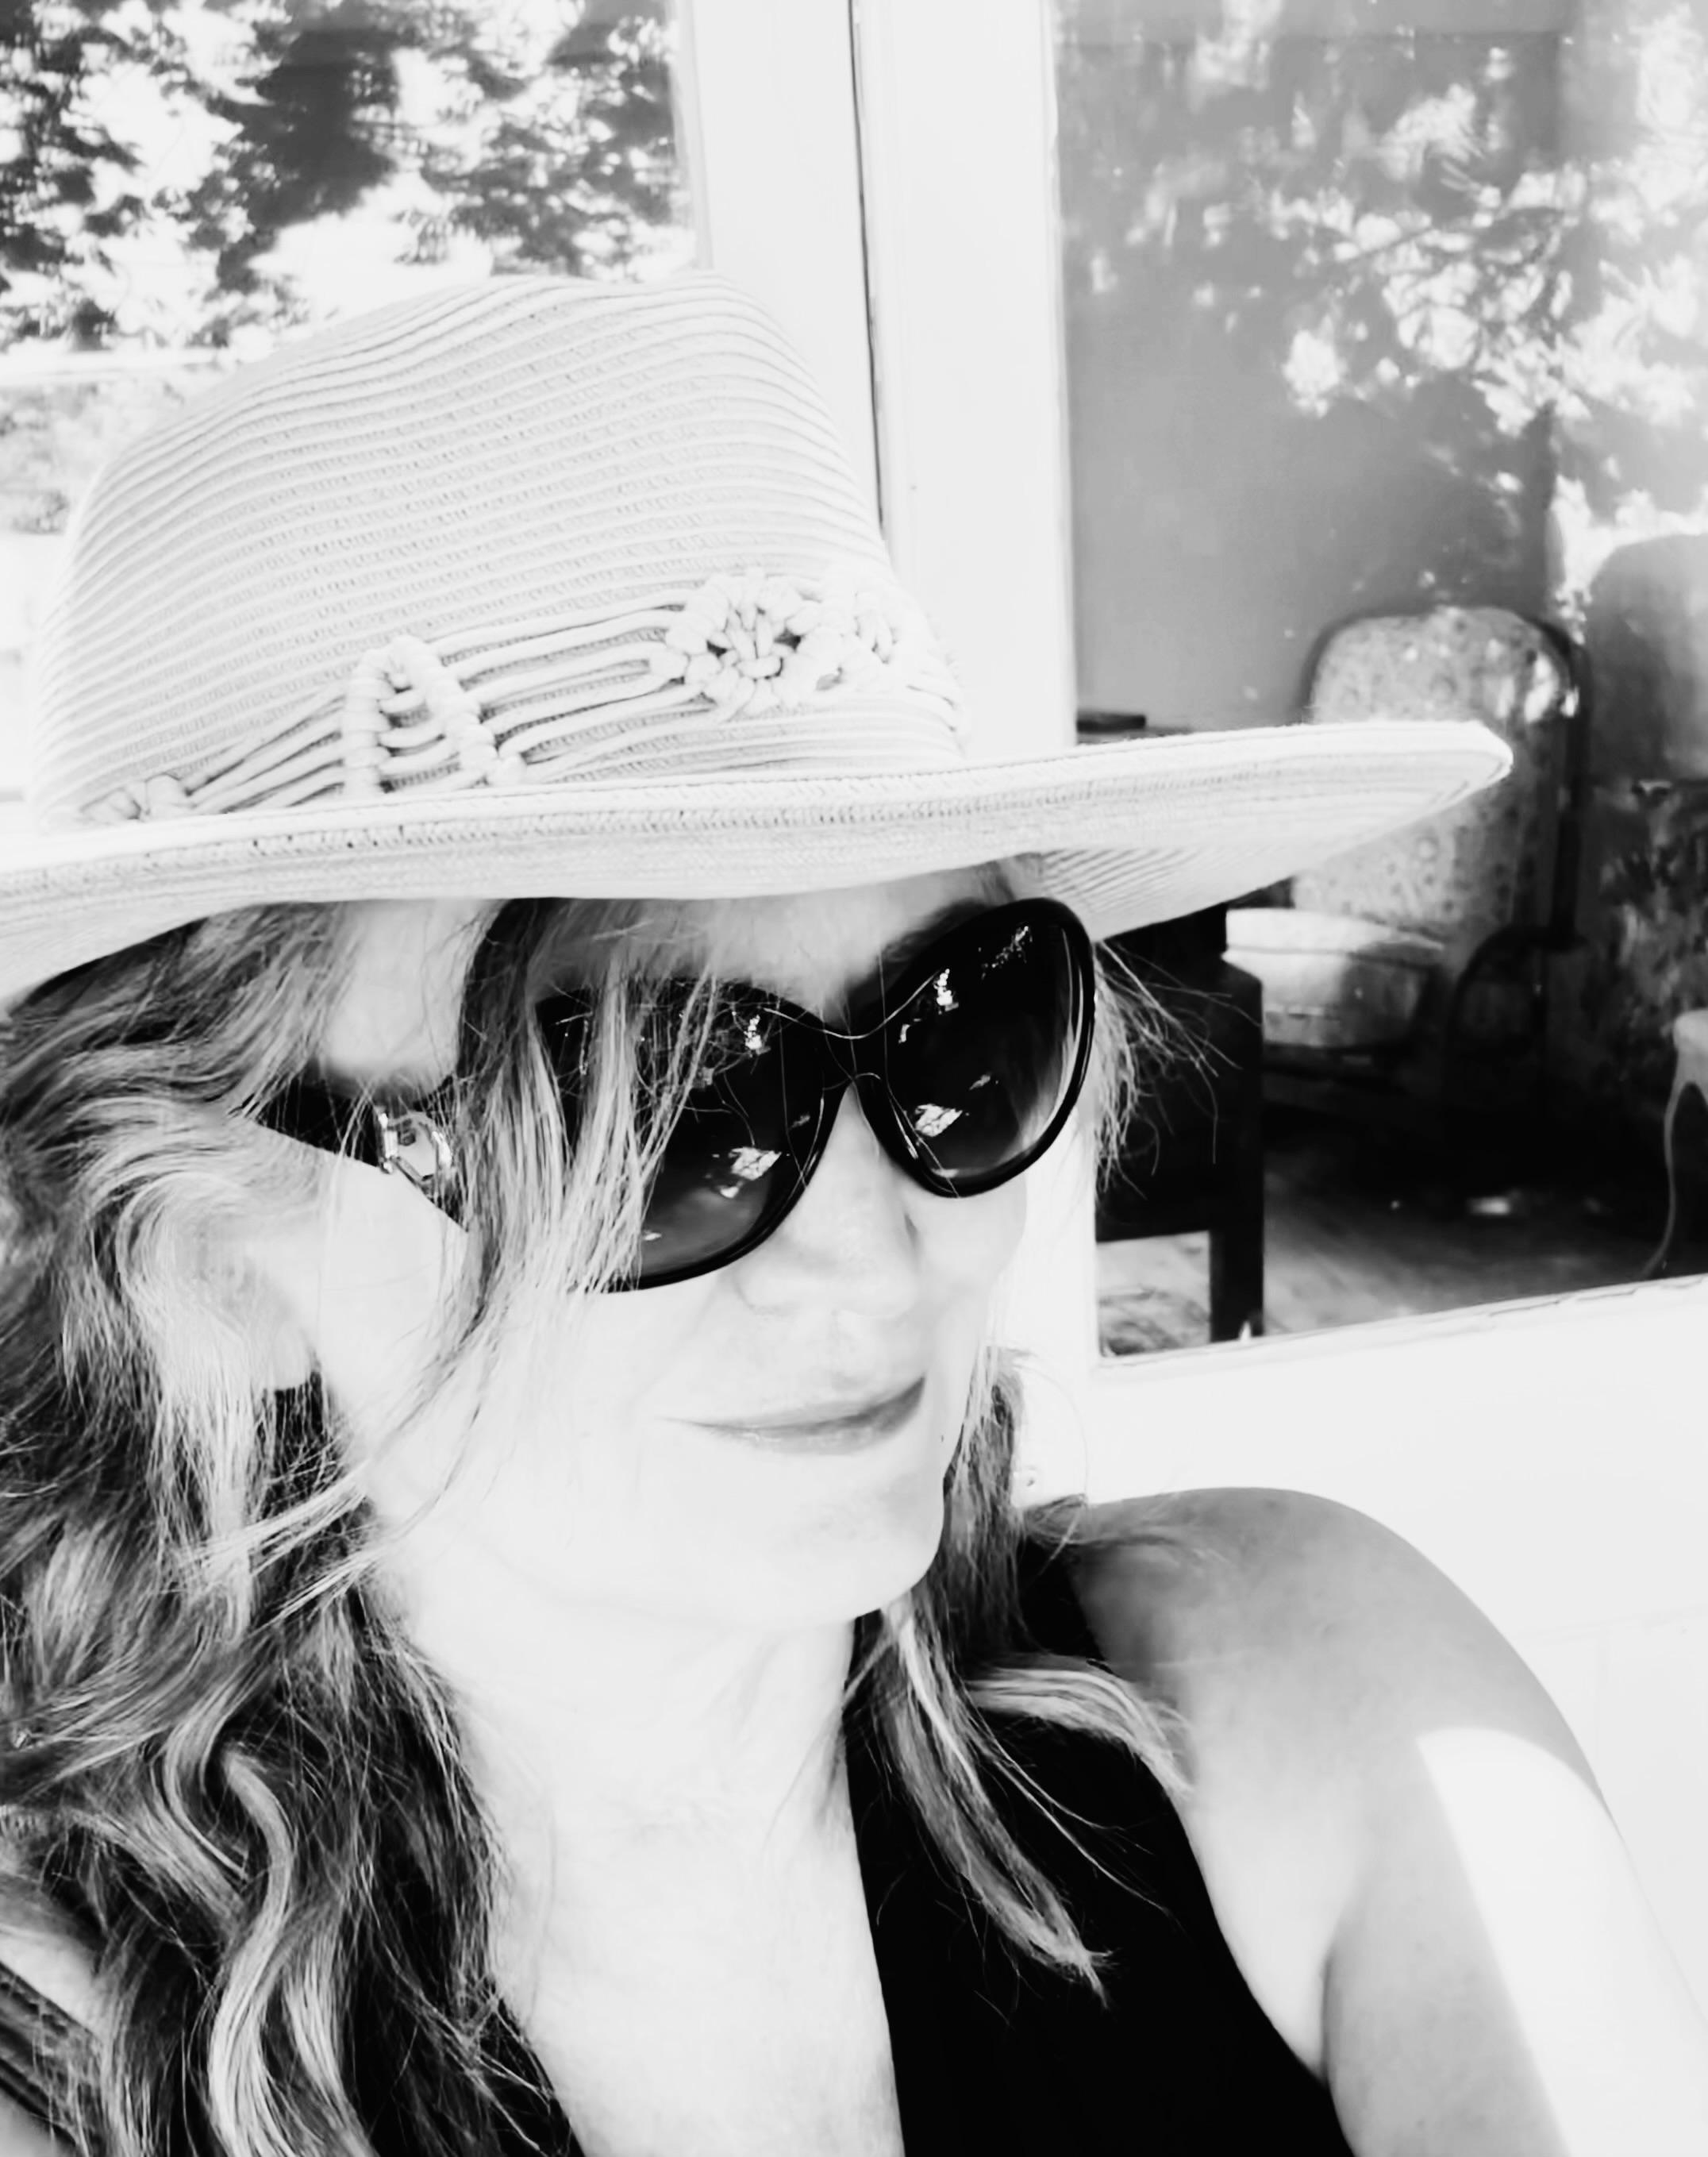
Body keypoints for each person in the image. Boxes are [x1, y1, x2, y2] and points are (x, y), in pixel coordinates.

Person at [0, 273, 1701, 2157]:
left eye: (964, 1029)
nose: (881, 1245)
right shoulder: (68, 2058)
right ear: (206, 1256)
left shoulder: (1303, 1695)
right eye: (651, 1106)